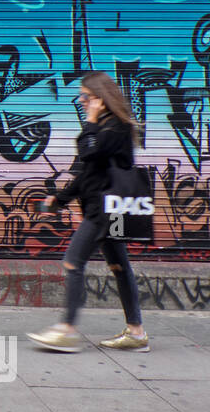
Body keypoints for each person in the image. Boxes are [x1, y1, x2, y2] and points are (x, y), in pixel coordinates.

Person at [27, 71, 149, 352]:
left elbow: (88, 153)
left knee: (73, 262)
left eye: (86, 96)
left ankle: (67, 330)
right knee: (119, 267)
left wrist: (91, 122)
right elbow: (87, 174)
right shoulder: (105, 126)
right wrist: (59, 200)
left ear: (101, 100)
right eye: (81, 96)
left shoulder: (114, 128)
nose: (81, 101)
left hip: (104, 212)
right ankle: (137, 332)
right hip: (108, 208)